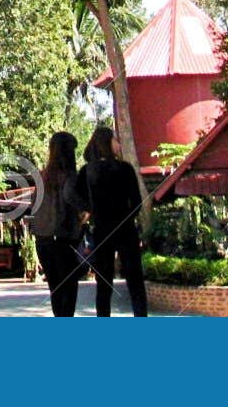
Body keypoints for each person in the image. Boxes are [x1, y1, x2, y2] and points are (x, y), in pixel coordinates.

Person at [76, 126, 148, 318]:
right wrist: (126, 218)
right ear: (107, 143)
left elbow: (77, 198)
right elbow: (137, 203)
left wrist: (92, 212)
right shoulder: (125, 168)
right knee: (135, 280)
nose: (118, 144)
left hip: (102, 230)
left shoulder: (86, 171)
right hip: (126, 229)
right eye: (116, 140)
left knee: (104, 283)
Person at [28, 130, 84, 316]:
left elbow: (33, 209)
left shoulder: (41, 178)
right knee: (69, 290)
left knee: (56, 290)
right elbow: (76, 203)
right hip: (65, 240)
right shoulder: (70, 177)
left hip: (43, 241)